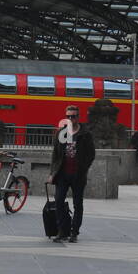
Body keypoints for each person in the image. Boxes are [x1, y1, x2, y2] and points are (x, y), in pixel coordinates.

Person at [47, 104, 96, 244]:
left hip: (78, 175)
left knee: (78, 204)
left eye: (73, 116)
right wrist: (52, 173)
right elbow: (55, 155)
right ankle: (62, 231)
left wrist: (84, 167)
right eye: (68, 116)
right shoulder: (62, 133)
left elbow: (91, 154)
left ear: (78, 117)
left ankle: (74, 232)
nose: (70, 119)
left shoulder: (85, 134)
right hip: (62, 174)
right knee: (58, 201)